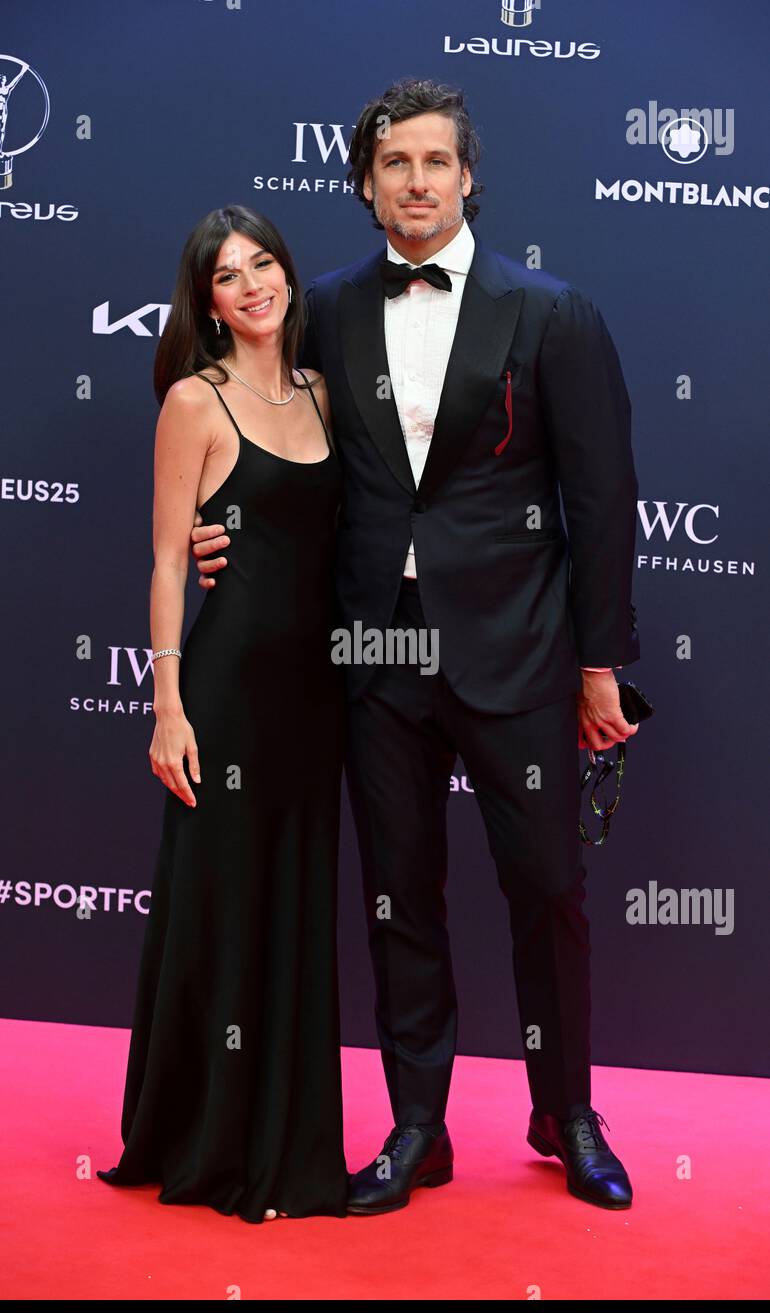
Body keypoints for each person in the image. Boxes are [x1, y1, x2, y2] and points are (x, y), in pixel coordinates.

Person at [191, 77, 643, 1215]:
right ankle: (416, 1126)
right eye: (394, 164)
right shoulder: (326, 308)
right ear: (363, 183)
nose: (415, 182)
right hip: (371, 656)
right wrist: (214, 521)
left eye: (435, 162)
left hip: (518, 651)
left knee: (546, 887)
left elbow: (600, 500)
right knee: (398, 893)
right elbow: (249, 414)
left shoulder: (551, 313)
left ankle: (565, 1111)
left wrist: (598, 663)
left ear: (467, 175)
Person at [97, 206, 349, 1223]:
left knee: (295, 907)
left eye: (264, 264)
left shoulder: (328, 392)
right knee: (220, 905)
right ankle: (200, 1138)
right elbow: (167, 558)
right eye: (227, 276)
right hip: (226, 691)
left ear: (287, 276)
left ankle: (283, 1140)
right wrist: (166, 705)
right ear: (205, 301)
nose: (251, 285)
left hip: (315, 696)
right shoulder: (195, 404)